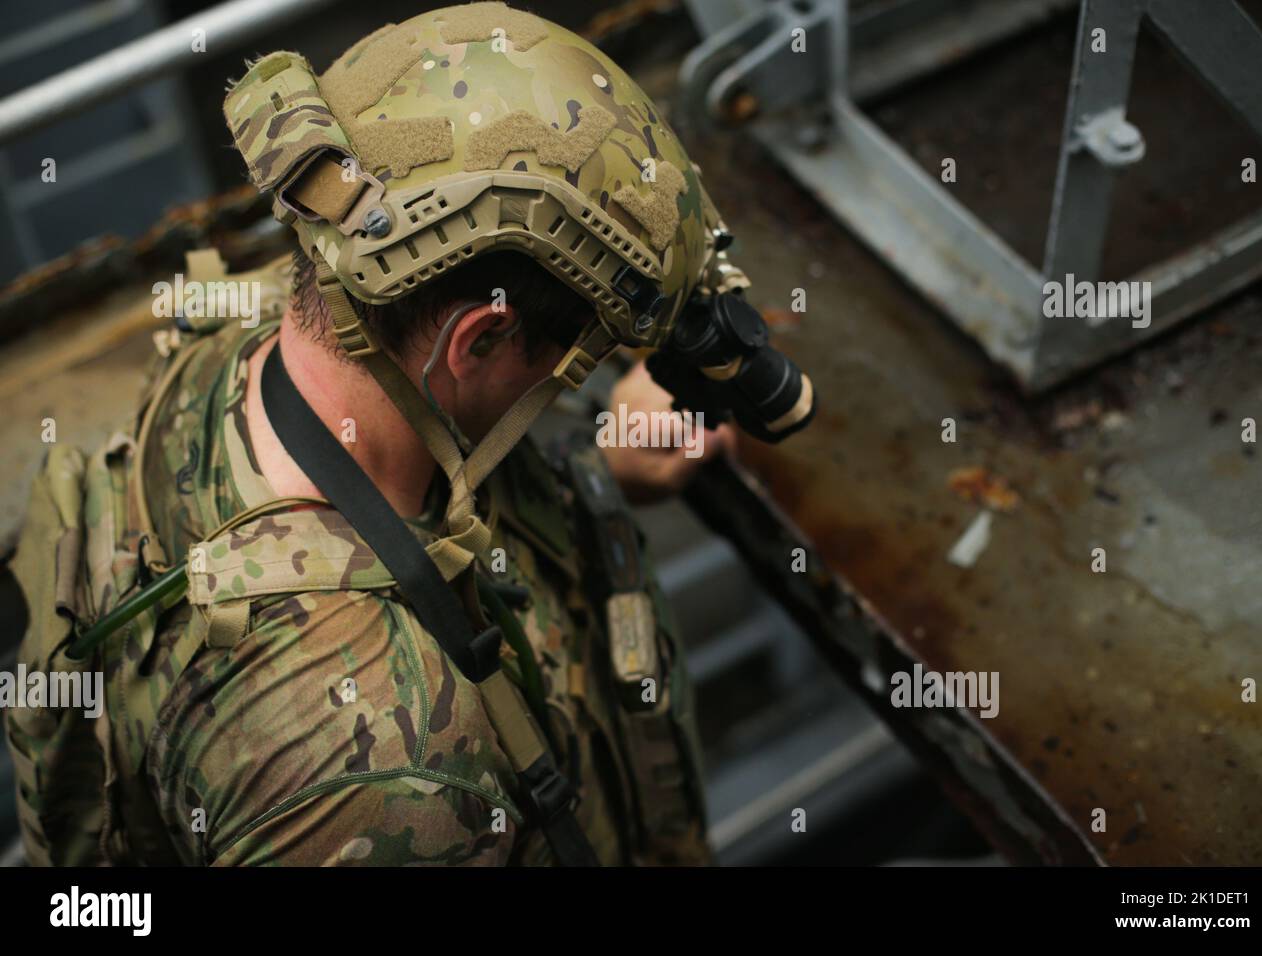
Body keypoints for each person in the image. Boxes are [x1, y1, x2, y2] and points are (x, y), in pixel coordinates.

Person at [5, 2, 753, 866]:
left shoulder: (230, 345)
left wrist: (594, 471)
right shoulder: (392, 780)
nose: (565, 388)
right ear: (477, 339)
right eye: (572, 358)